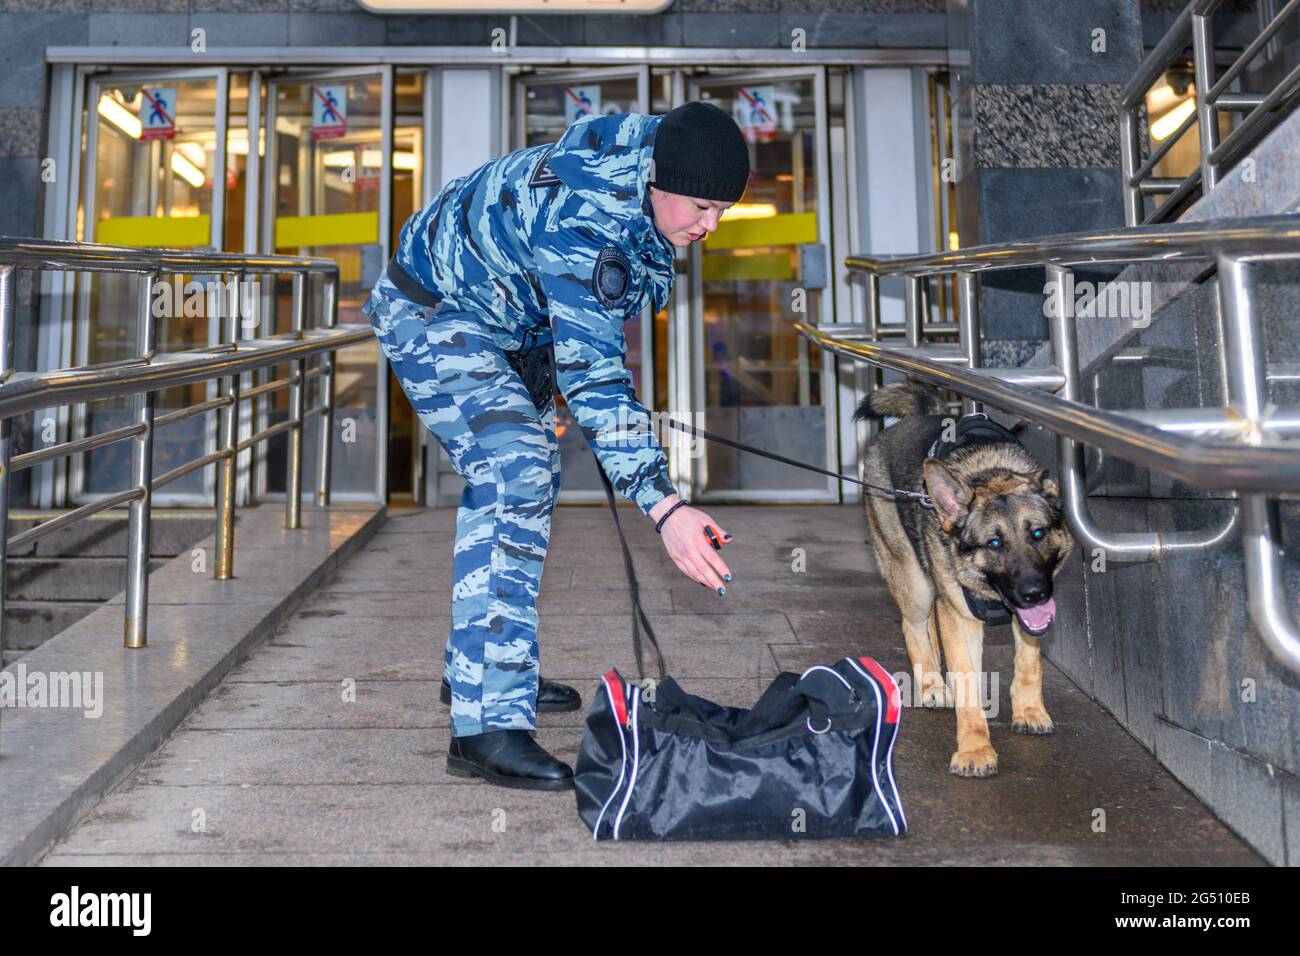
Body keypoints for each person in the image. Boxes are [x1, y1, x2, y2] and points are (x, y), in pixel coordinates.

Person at [363, 101, 751, 790]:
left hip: (506, 327)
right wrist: (664, 506)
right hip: (432, 310)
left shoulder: (651, 177)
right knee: (517, 472)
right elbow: (596, 376)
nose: (709, 226)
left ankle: (481, 667)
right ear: (659, 182)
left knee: (527, 477)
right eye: (700, 206)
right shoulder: (588, 212)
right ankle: (485, 727)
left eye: (722, 210)